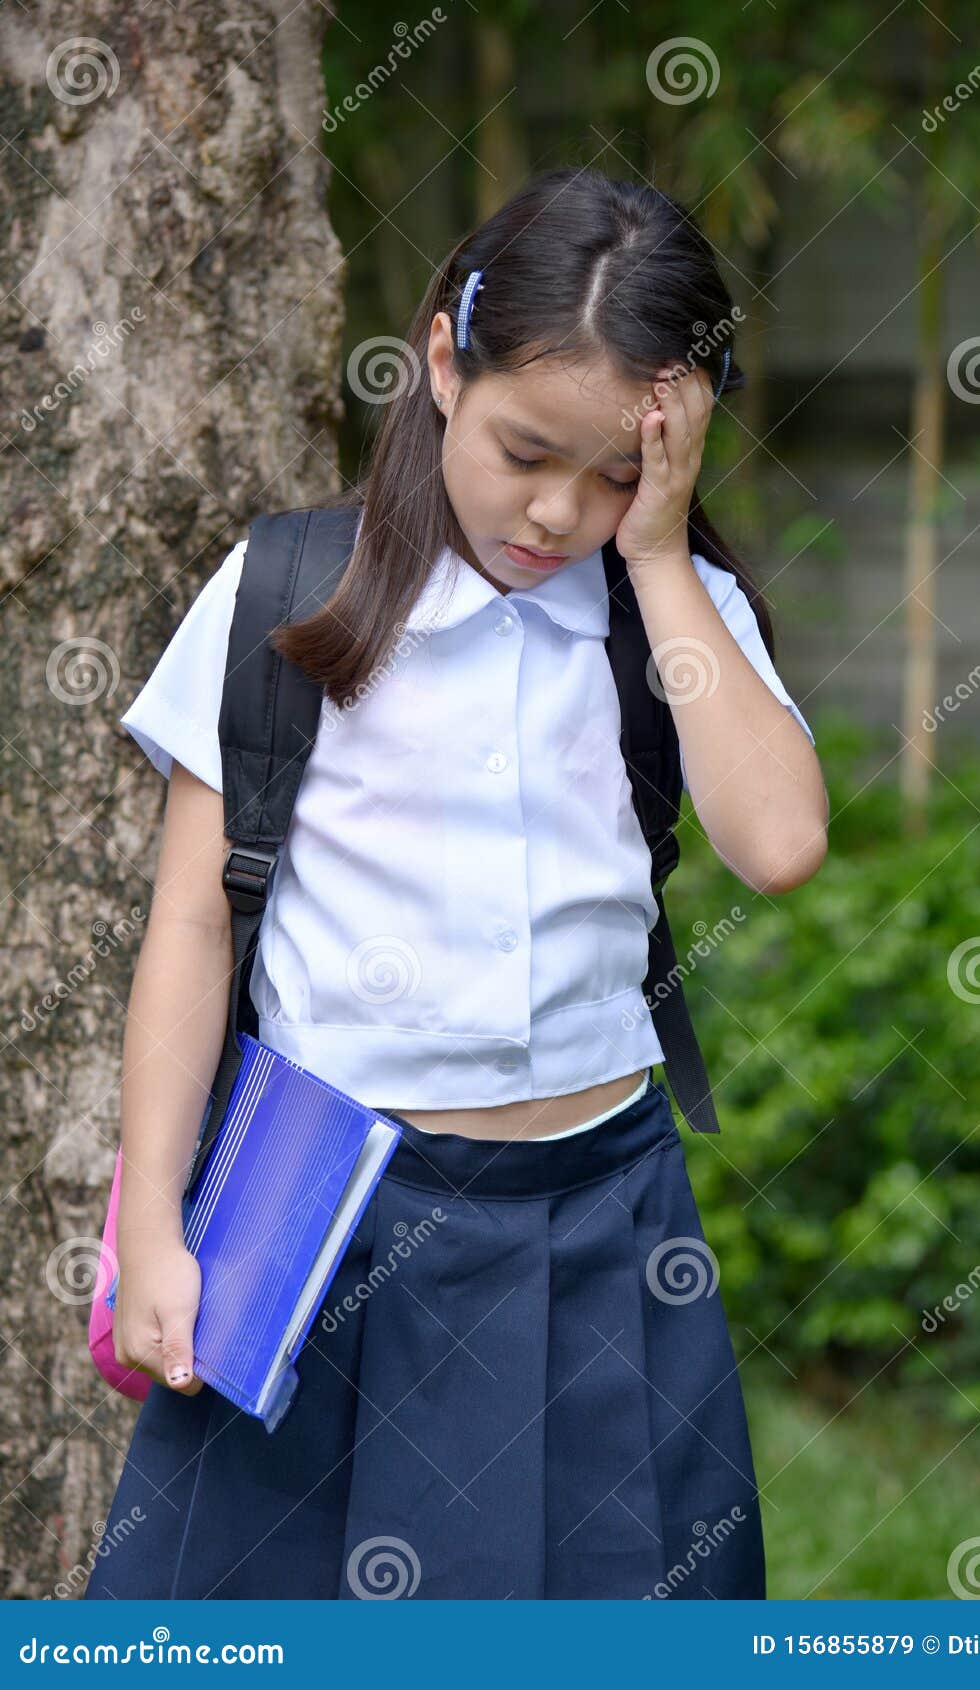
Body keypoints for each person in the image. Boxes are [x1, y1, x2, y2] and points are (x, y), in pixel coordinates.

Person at [84, 166, 827, 1602]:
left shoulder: (663, 611)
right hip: (326, 1221)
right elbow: (188, 922)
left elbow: (779, 843)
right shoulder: (289, 592)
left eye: (615, 469)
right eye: (526, 448)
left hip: (601, 1219)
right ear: (441, 362)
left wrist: (662, 552)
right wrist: (157, 1225)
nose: (557, 509)